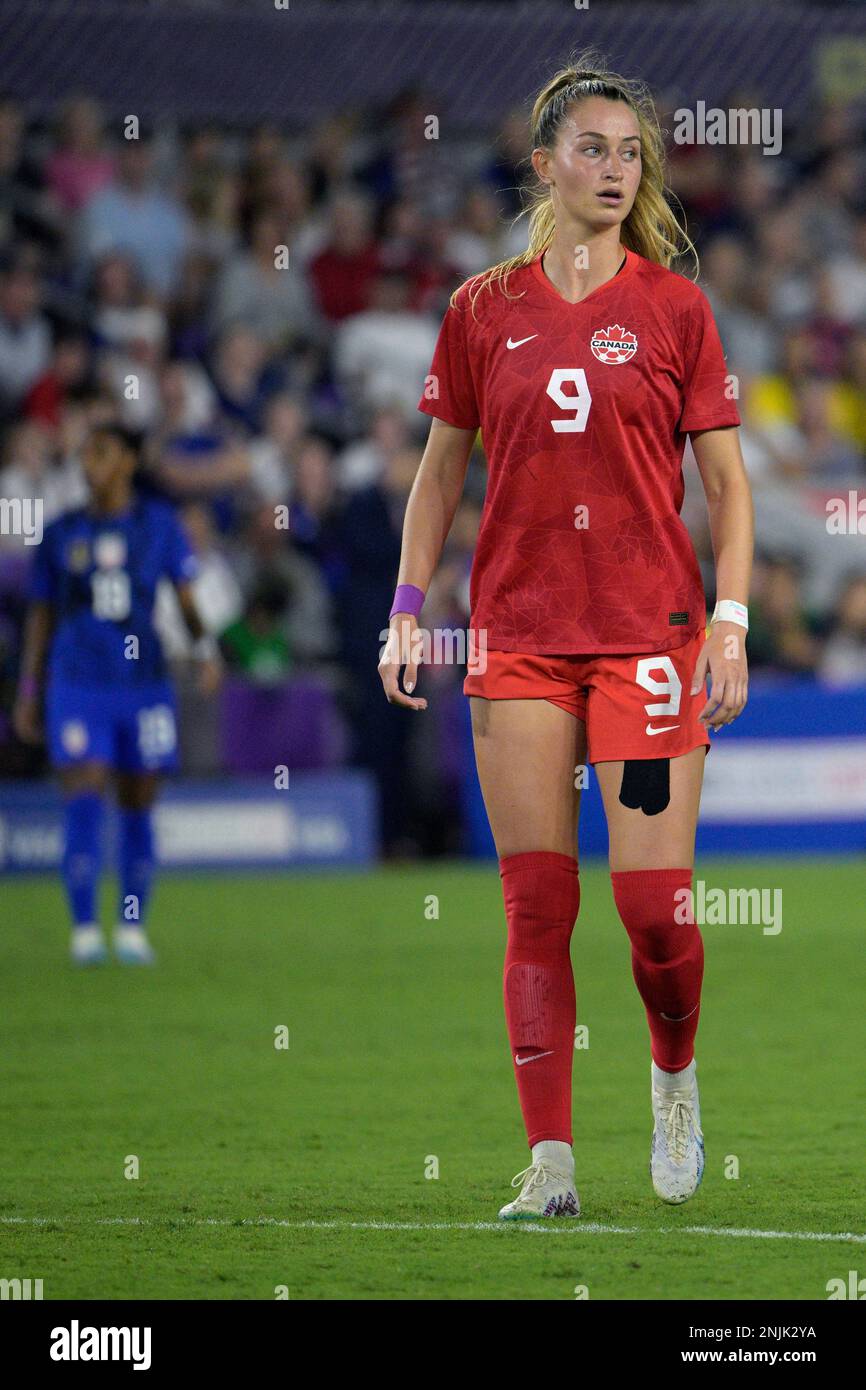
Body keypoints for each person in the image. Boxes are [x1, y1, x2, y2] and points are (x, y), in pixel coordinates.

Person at [378, 55, 754, 1217]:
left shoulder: (674, 310)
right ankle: (549, 1168)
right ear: (541, 164)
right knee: (536, 910)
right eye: (589, 148)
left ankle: (674, 1076)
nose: (611, 169)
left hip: (646, 639)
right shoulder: (480, 312)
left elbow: (729, 492)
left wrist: (728, 622)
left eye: (628, 152)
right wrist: (406, 608)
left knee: (652, 915)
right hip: (519, 641)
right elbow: (438, 475)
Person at [12, 423, 220, 965]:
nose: (88, 465)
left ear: (128, 461)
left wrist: (205, 652)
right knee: (84, 791)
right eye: (85, 454)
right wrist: (30, 688)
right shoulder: (61, 533)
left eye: (100, 452)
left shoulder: (160, 525)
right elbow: (41, 614)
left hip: (144, 684)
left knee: (138, 802)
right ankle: (84, 930)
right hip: (78, 682)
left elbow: (187, 600)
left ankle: (131, 927)